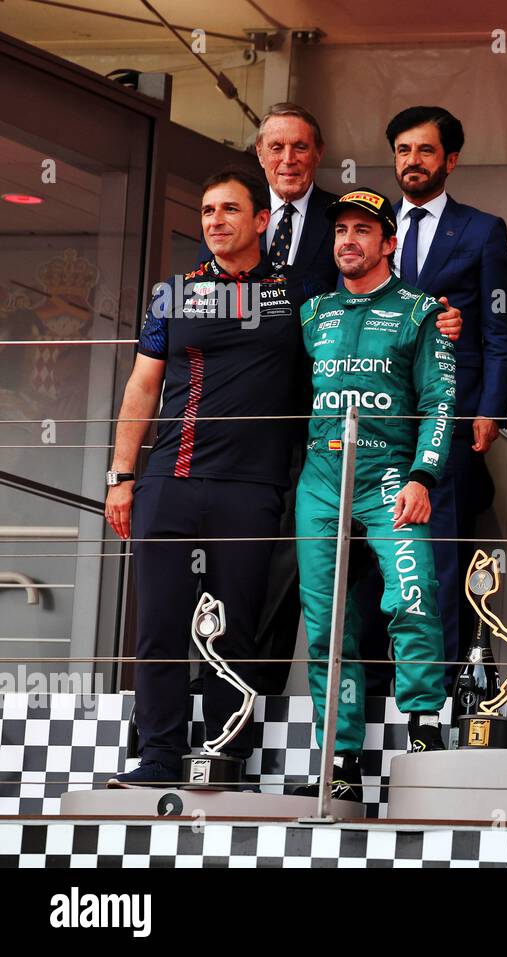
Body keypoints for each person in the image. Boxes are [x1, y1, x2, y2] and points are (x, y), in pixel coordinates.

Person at [104, 166, 299, 787]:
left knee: (235, 629)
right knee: (159, 623)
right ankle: (158, 754)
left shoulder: (298, 296)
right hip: (173, 479)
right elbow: (142, 385)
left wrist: (441, 317)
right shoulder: (172, 292)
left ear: (262, 220)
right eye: (208, 211)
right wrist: (121, 474)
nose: (216, 221)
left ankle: (224, 757)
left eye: (230, 210)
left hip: (252, 489)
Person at [295, 189, 458, 801]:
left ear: (389, 241)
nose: (348, 241)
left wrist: (424, 476)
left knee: (412, 596)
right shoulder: (312, 314)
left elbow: (440, 401)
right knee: (325, 624)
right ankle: (339, 760)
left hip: (390, 474)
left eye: (363, 230)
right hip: (320, 480)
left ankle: (422, 727)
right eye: (340, 229)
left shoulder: (422, 312)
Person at [197, 103, 341, 695]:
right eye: (275, 147)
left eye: (300, 147)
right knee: (229, 575)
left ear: (319, 155)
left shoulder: (345, 218)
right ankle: (223, 705)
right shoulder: (232, 219)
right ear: (260, 153)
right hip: (236, 430)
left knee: (294, 570)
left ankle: (270, 704)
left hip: (319, 426)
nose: (288, 159)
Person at [383, 105, 507, 681]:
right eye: (404, 150)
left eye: (426, 150)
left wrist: (491, 408)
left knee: (438, 547)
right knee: (380, 547)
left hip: (451, 413)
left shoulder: (483, 230)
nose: (413, 161)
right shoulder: (370, 227)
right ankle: (379, 680)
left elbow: (498, 331)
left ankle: (435, 684)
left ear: (450, 160)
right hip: (378, 414)